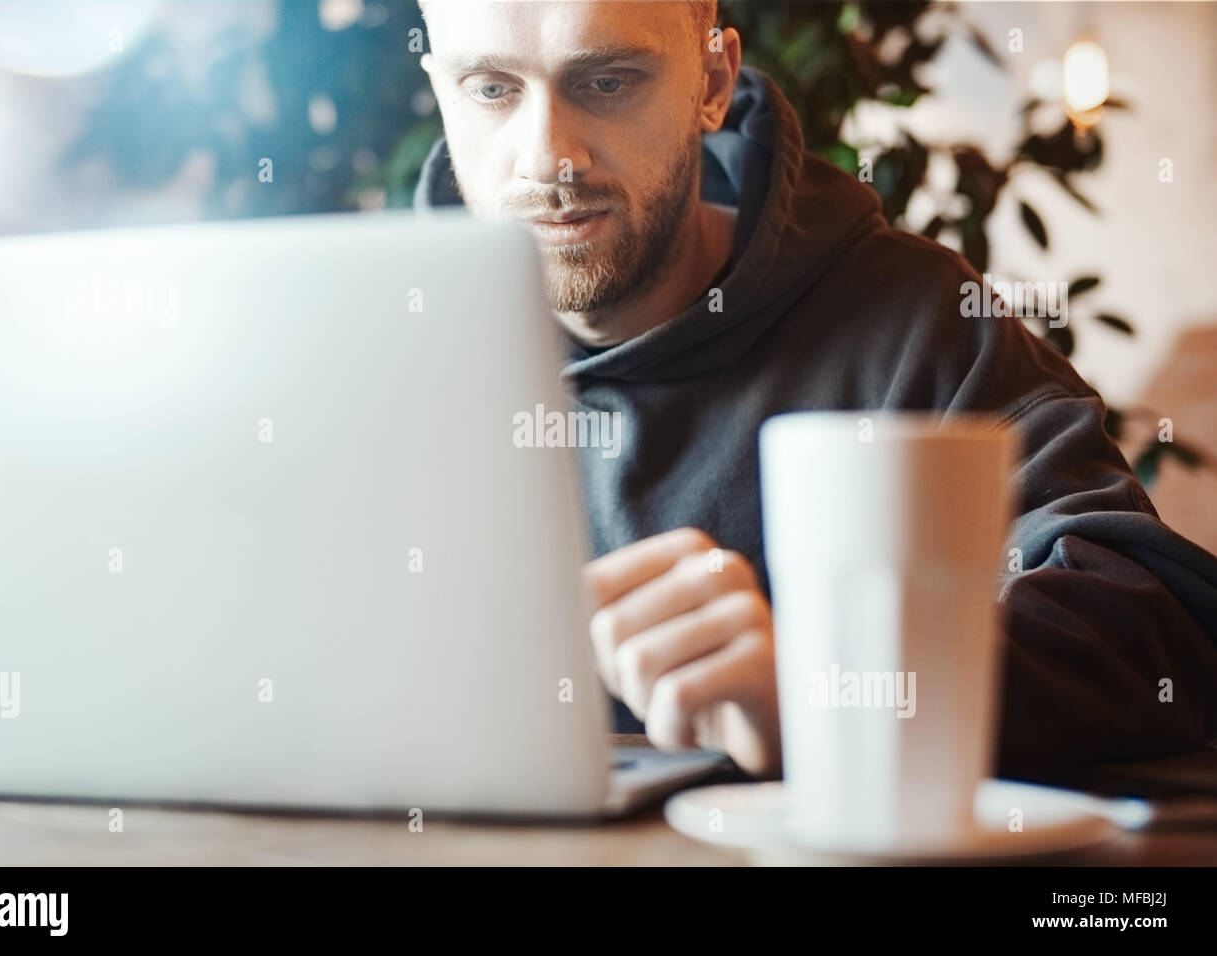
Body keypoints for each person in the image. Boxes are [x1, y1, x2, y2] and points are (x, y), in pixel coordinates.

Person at [413, 0, 1217, 778]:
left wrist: (835, 700)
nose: (548, 155)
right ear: (443, 88)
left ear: (712, 82)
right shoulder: (389, 349)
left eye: (609, 81)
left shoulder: (911, 323)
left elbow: (1155, 624)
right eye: (492, 89)